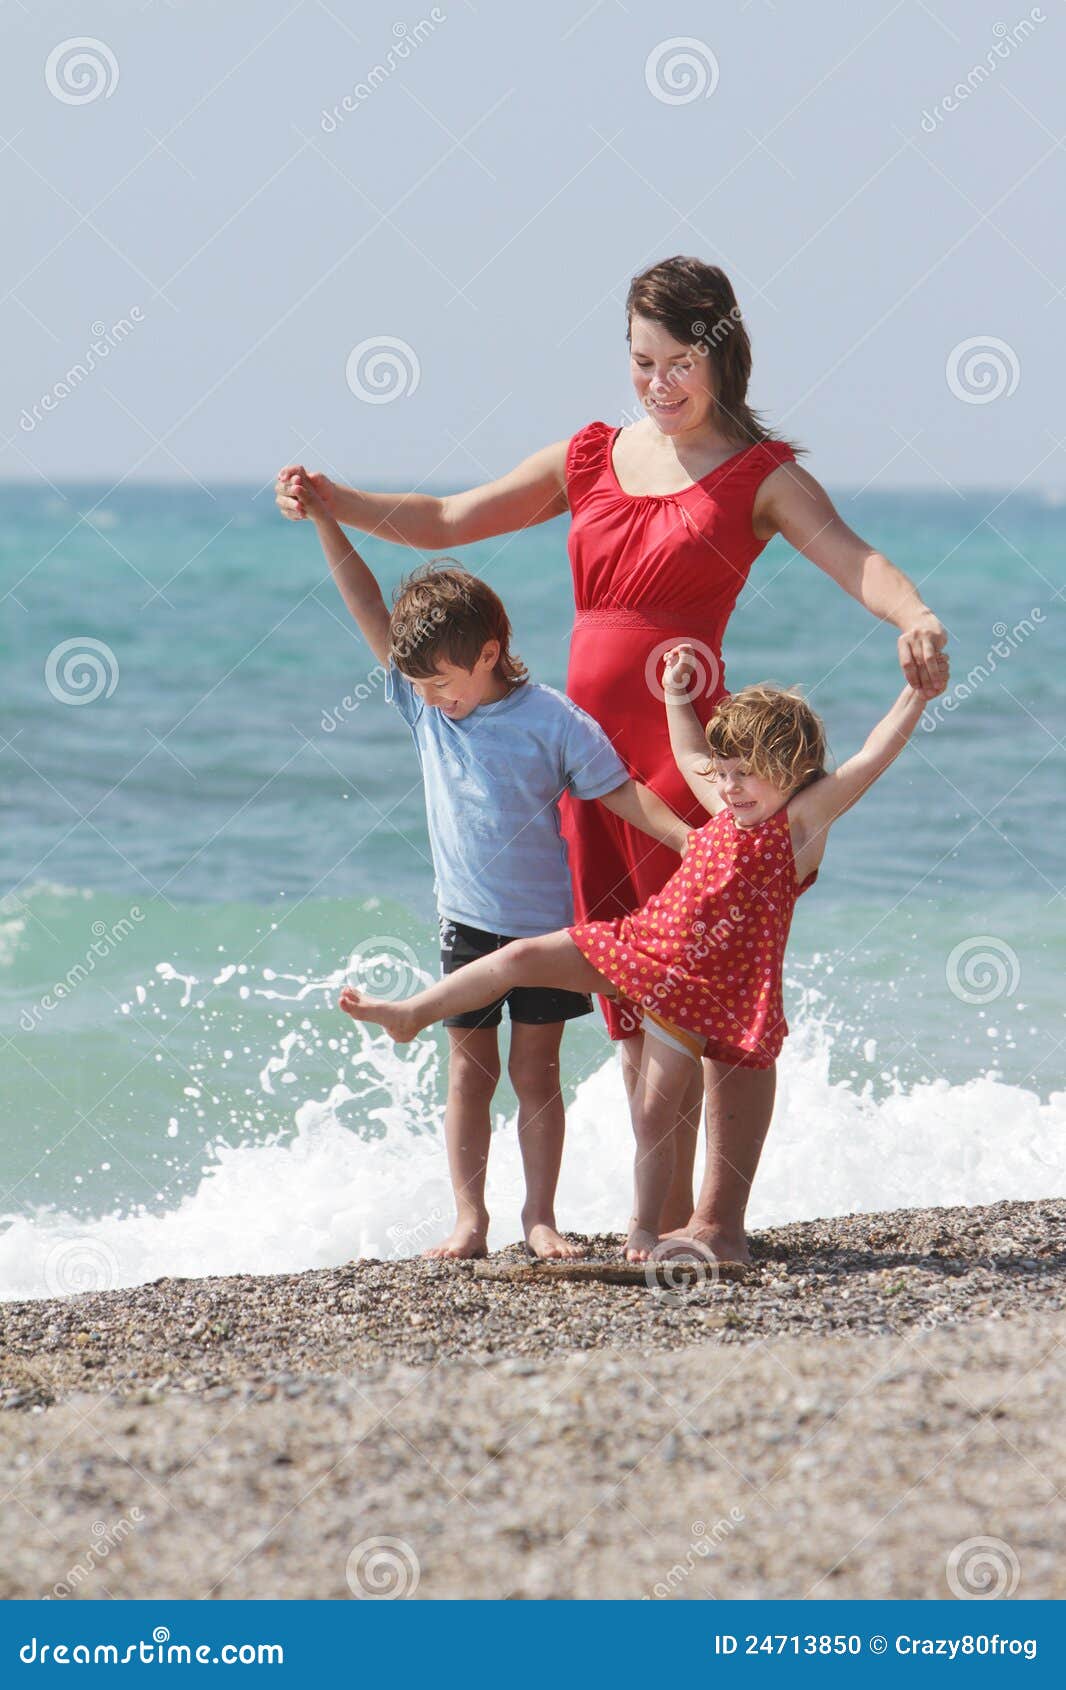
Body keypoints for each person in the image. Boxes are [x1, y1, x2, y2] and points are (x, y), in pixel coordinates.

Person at [276, 253, 950, 1237]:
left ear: (722, 356)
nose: (659, 383)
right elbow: (449, 518)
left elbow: (858, 560)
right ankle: (658, 1224)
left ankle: (713, 1222)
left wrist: (915, 613)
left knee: (718, 989)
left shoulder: (758, 476)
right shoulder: (587, 456)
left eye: (680, 362)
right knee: (631, 995)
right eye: (642, 362)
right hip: (589, 769)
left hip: (690, 764)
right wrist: (341, 501)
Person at [338, 646, 929, 1264]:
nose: (729, 787)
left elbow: (871, 758)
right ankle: (413, 1013)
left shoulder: (799, 826)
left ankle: (644, 1231)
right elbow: (691, 753)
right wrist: (675, 695)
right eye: (726, 773)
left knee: (654, 1114)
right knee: (521, 957)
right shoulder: (724, 809)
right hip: (642, 944)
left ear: (791, 771)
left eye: (746, 775)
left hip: (696, 991)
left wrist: (915, 695)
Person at [295, 477, 690, 1261]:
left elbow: (622, 795)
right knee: (469, 1074)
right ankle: (469, 1218)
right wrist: (326, 519)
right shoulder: (423, 706)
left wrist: (694, 842)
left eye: (443, 682)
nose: (432, 698)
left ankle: (538, 1216)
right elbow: (366, 604)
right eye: (418, 685)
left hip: (544, 933)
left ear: (487, 653)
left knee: (536, 1073)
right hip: (466, 925)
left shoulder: (552, 719)